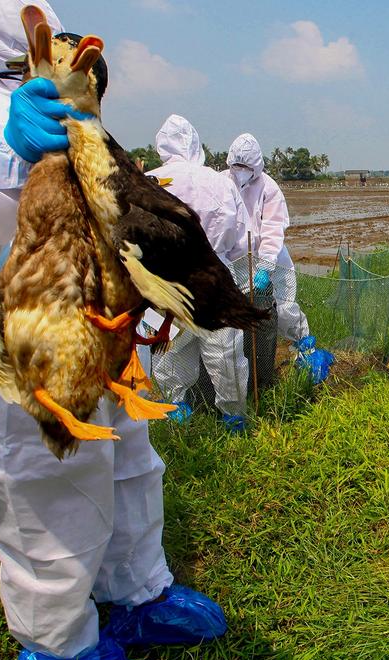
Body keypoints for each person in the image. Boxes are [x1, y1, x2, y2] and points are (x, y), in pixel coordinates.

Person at [0, 2, 225, 660]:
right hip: (17, 341)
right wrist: (4, 155)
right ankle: (60, 648)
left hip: (99, 330)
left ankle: (138, 592)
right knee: (48, 501)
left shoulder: (69, 111)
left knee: (128, 466)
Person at [147, 115, 250, 433]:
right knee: (225, 353)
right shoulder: (220, 182)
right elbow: (239, 238)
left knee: (168, 351)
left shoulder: (148, 180)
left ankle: (176, 416)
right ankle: (234, 418)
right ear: (195, 143)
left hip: (163, 281)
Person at [223, 133, 333, 384]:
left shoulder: (268, 188)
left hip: (268, 263)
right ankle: (237, 375)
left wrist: (265, 266)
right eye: (236, 165)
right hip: (232, 262)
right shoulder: (220, 183)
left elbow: (273, 230)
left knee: (282, 308)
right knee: (231, 319)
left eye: (245, 166)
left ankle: (305, 348)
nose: (240, 171)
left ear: (256, 166)